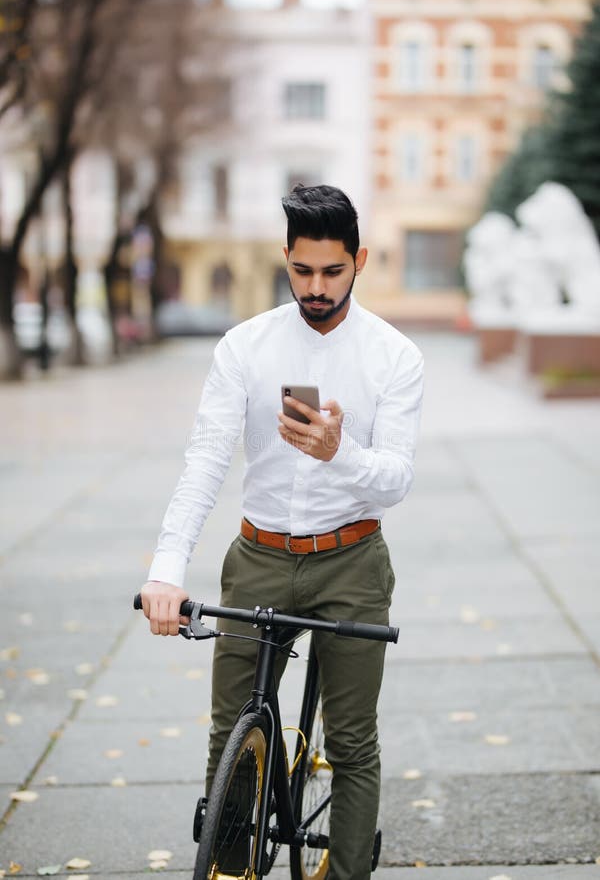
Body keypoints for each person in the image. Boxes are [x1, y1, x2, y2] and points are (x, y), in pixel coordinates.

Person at [141, 184, 424, 879]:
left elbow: (395, 479)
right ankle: (229, 865)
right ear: (286, 259)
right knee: (228, 737)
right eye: (303, 271)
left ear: (359, 260)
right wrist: (165, 569)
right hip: (260, 556)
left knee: (353, 744)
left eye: (333, 272)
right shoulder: (246, 345)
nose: (317, 288)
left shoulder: (395, 356)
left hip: (352, 560)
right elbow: (205, 461)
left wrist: (341, 453)